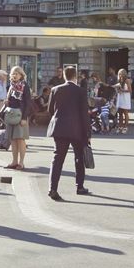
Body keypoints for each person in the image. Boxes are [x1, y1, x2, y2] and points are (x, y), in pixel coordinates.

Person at [46, 65, 91, 201]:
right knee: (79, 158)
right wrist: (88, 134)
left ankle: (52, 188)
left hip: (59, 128)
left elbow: (50, 110)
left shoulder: (55, 89)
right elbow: (84, 114)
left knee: (57, 159)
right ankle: (80, 186)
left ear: (65, 76)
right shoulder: (81, 91)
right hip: (77, 129)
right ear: (75, 76)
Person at [3, 65, 32, 170]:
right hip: (11, 115)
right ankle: (14, 161)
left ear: (21, 75)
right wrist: (7, 102)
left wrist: (24, 118)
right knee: (13, 140)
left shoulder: (25, 86)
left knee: (20, 139)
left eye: (17, 73)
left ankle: (21, 162)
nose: (14, 75)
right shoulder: (11, 86)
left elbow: (28, 103)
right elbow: (10, 100)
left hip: (20, 115)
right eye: (13, 73)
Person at [113, 70, 132, 134]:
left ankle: (125, 127)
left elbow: (130, 90)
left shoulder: (127, 80)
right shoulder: (119, 81)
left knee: (125, 113)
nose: (120, 75)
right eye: (119, 74)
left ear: (124, 74)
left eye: (121, 74)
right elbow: (116, 88)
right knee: (120, 113)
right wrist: (117, 90)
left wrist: (122, 90)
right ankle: (120, 126)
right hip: (120, 97)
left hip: (125, 98)